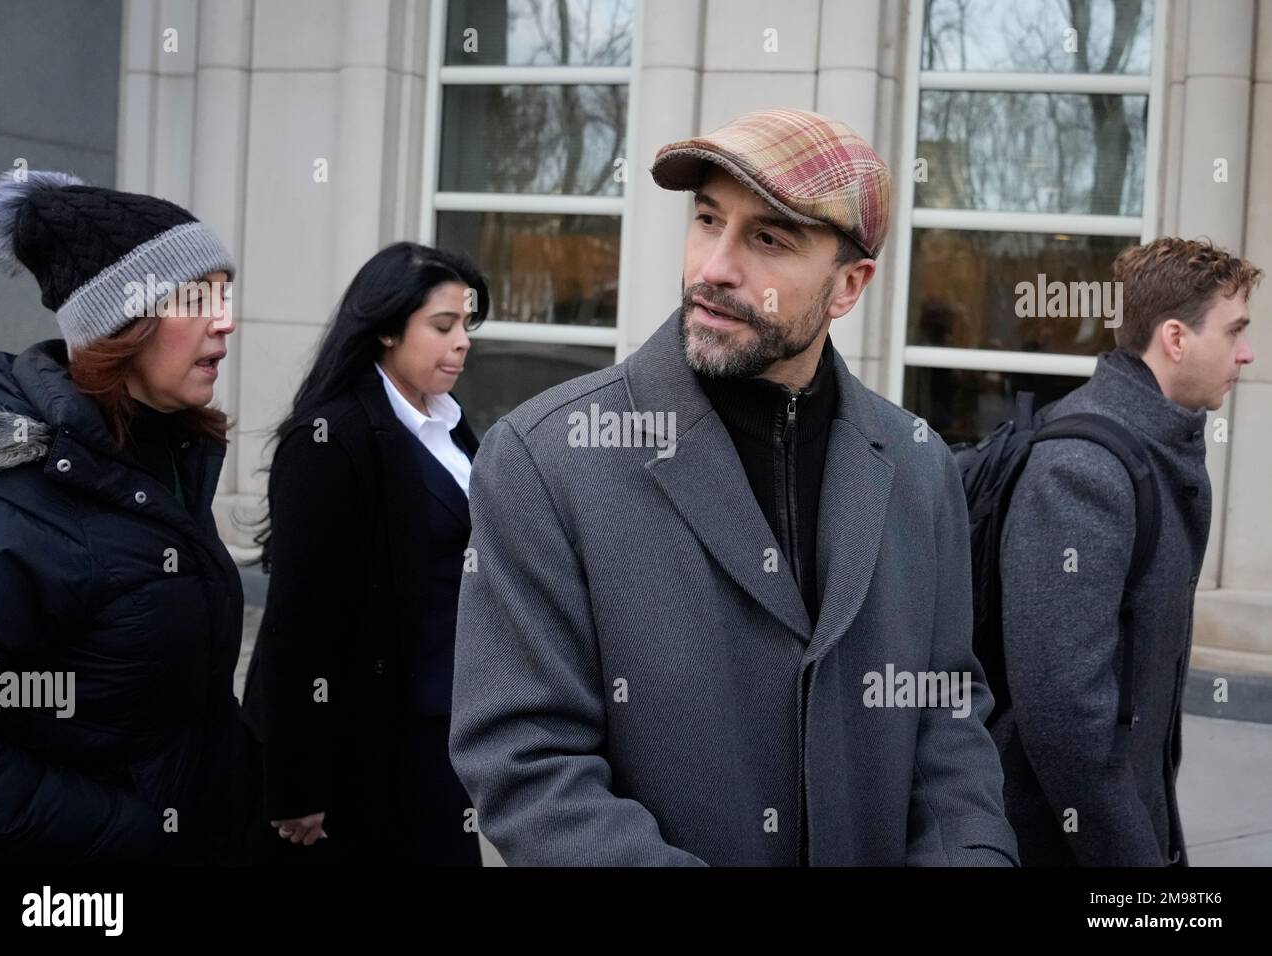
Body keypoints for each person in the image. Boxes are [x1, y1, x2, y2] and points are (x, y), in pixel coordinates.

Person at [449, 108, 1017, 866]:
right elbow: (528, 764)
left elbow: (946, 716)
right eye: (708, 219)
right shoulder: (545, 460)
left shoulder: (920, 465)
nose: (714, 266)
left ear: (848, 285)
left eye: (768, 238)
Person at [0, 169, 254, 864]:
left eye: (225, 294)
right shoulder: (14, 501)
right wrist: (121, 829)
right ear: (120, 325)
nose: (226, 320)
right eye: (198, 298)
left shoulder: (166, 456)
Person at [993, 237, 1261, 866]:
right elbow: (1067, 723)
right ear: (1175, 339)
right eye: (1235, 331)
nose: (1247, 353)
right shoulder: (1082, 472)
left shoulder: (1157, 444)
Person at [244, 241, 487, 865]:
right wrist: (295, 784)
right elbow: (299, 623)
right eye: (443, 326)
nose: (462, 342)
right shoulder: (331, 438)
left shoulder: (450, 423)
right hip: (363, 749)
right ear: (384, 329)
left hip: (444, 726)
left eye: (467, 324)